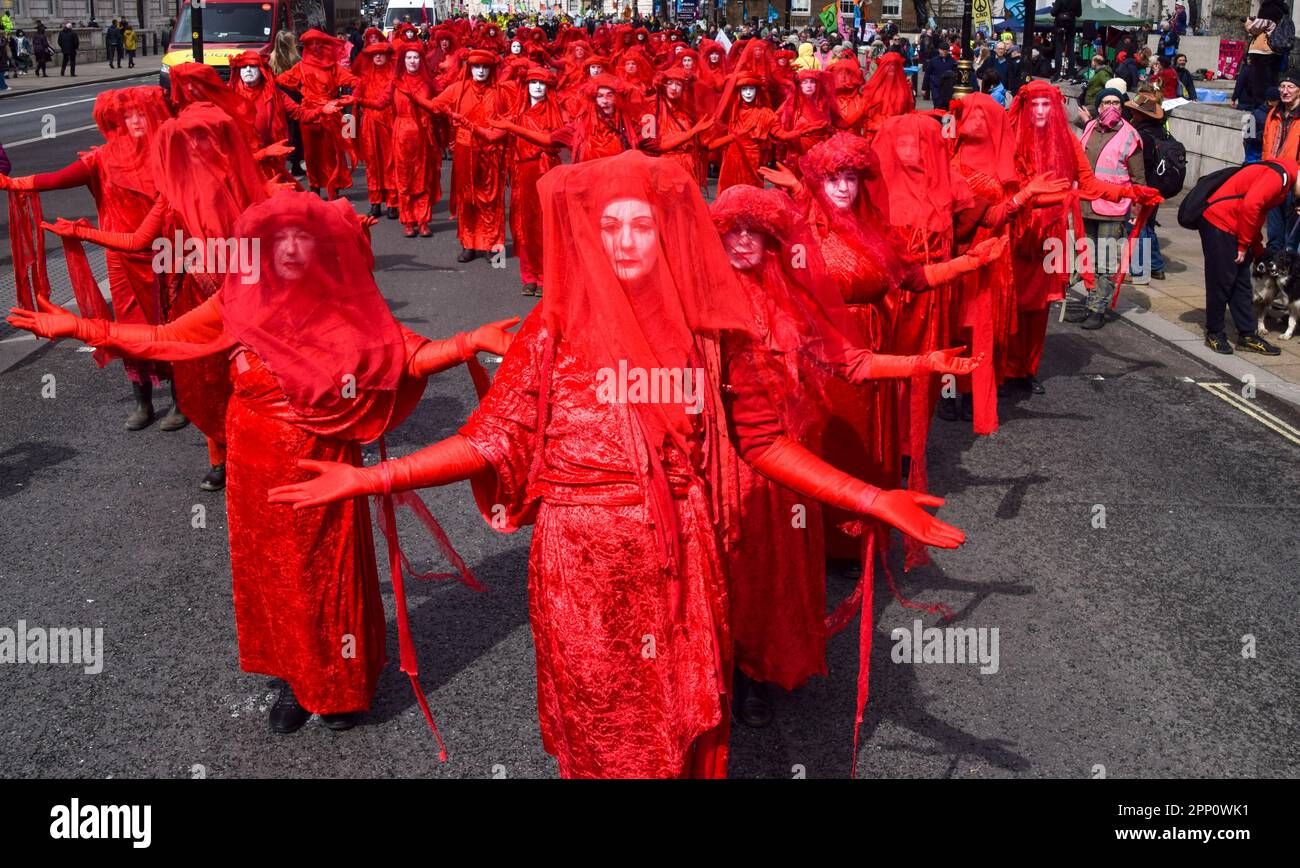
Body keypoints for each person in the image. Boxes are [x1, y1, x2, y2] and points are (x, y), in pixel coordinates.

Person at [266, 151, 969, 778]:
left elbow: (762, 442)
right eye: (610, 227)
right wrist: (369, 478)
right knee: (601, 728)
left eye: (641, 225)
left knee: (675, 724)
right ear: (588, 236)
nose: (626, 241)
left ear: (667, 231)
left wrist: (870, 500)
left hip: (678, 560)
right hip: (579, 569)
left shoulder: (708, 329)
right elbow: (490, 439)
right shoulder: (554, 327)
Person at [8, 190, 518, 734]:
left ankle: (338, 685)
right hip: (253, 460)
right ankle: (296, 677)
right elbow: (165, 338)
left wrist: (468, 341)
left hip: (321, 463)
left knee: (326, 573)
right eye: (279, 243)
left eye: (303, 242)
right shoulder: (237, 301)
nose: (291, 253)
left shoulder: (342, 305)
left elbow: (405, 357)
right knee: (271, 577)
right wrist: (84, 329)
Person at [1, 86, 177, 431]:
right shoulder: (102, 159)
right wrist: (12, 184)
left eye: (141, 114)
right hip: (120, 258)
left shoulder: (168, 154)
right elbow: (56, 179)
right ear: (117, 120)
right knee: (128, 328)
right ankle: (143, 401)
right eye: (128, 116)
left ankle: (182, 400)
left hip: (165, 255)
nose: (136, 121)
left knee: (170, 324)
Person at [1004, 82, 1159, 390]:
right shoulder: (1009, 139)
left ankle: (1025, 369)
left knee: (1038, 309)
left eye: (1046, 105)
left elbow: (1088, 183)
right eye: (1034, 104)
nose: (1039, 111)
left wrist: (1129, 191)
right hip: (1015, 235)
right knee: (1012, 307)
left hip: (1050, 237)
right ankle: (1007, 368)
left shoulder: (1067, 141)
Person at [1197, 158, 1297, 355]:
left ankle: (1247, 335)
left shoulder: (1286, 178)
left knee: (1241, 283)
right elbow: (1251, 205)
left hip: (1236, 227)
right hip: (1220, 223)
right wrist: (1244, 245)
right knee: (1221, 281)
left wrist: (1255, 245)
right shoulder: (1280, 176)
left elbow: (1258, 211)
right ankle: (1214, 333)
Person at [1069, 86, 1147, 330]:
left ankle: (1098, 309)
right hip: (1085, 205)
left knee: (1106, 261)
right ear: (1099, 107)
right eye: (1106, 103)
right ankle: (1090, 303)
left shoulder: (1130, 135)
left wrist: (1137, 208)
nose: (1111, 107)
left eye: (1116, 103)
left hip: (1113, 208)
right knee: (1088, 259)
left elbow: (1138, 178)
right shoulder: (1090, 127)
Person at [427, 49, 512, 262]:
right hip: (465, 151)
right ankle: (469, 243)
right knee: (467, 198)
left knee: (491, 199)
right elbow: (435, 105)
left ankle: (492, 245)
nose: (481, 71)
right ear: (470, 68)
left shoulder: (500, 93)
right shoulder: (458, 89)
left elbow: (510, 120)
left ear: (491, 70)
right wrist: (447, 113)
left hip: (492, 153)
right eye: (477, 67)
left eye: (485, 67)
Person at [276, 30, 357, 199]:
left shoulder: (333, 67)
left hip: (330, 113)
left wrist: (356, 93)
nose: (315, 48)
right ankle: (314, 186)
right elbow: (280, 81)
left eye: (318, 44)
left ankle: (332, 184)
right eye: (311, 45)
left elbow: (352, 80)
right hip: (310, 116)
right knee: (311, 154)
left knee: (331, 153)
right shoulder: (300, 67)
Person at [1126, 87, 1169, 280]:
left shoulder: (1141, 135)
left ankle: (1139, 269)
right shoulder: (1160, 131)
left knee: (1138, 227)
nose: (1132, 112)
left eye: (1135, 110)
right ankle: (1157, 266)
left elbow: (1138, 166)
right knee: (1148, 226)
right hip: (1156, 187)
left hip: (1144, 188)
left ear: (1140, 114)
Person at [1262, 72, 1300, 251]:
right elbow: (1266, 144)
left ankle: (1290, 276)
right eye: (1282, 87)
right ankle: (1273, 273)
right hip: (1273, 178)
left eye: (1290, 87)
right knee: (1274, 235)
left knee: (1291, 240)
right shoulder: (1273, 113)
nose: (1285, 91)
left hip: (1295, 181)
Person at [1050, 0, 1081, 79]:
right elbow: (1079, 14)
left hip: (1059, 24)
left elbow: (1053, 12)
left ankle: (1057, 74)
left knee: (1059, 50)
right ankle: (1070, 74)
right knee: (1071, 49)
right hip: (1071, 24)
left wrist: (1055, 7)